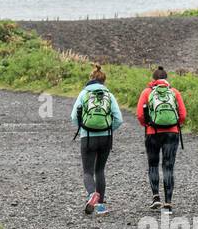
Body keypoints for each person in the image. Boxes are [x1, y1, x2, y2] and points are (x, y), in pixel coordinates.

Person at [70, 65, 123, 215]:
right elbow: (119, 119)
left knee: (88, 171)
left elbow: (74, 117)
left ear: (90, 79)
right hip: (106, 137)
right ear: (104, 81)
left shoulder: (83, 94)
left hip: (87, 137)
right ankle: (100, 207)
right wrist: (108, 129)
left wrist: (84, 130)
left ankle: (92, 194)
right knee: (99, 170)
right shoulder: (109, 95)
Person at [135, 66, 187, 213]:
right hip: (172, 133)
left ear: (153, 80)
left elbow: (140, 114)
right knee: (168, 167)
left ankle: (156, 197)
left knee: (153, 164)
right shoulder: (174, 92)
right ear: (166, 79)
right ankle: (168, 203)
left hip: (152, 132)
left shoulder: (147, 92)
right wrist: (173, 125)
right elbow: (183, 115)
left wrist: (148, 125)